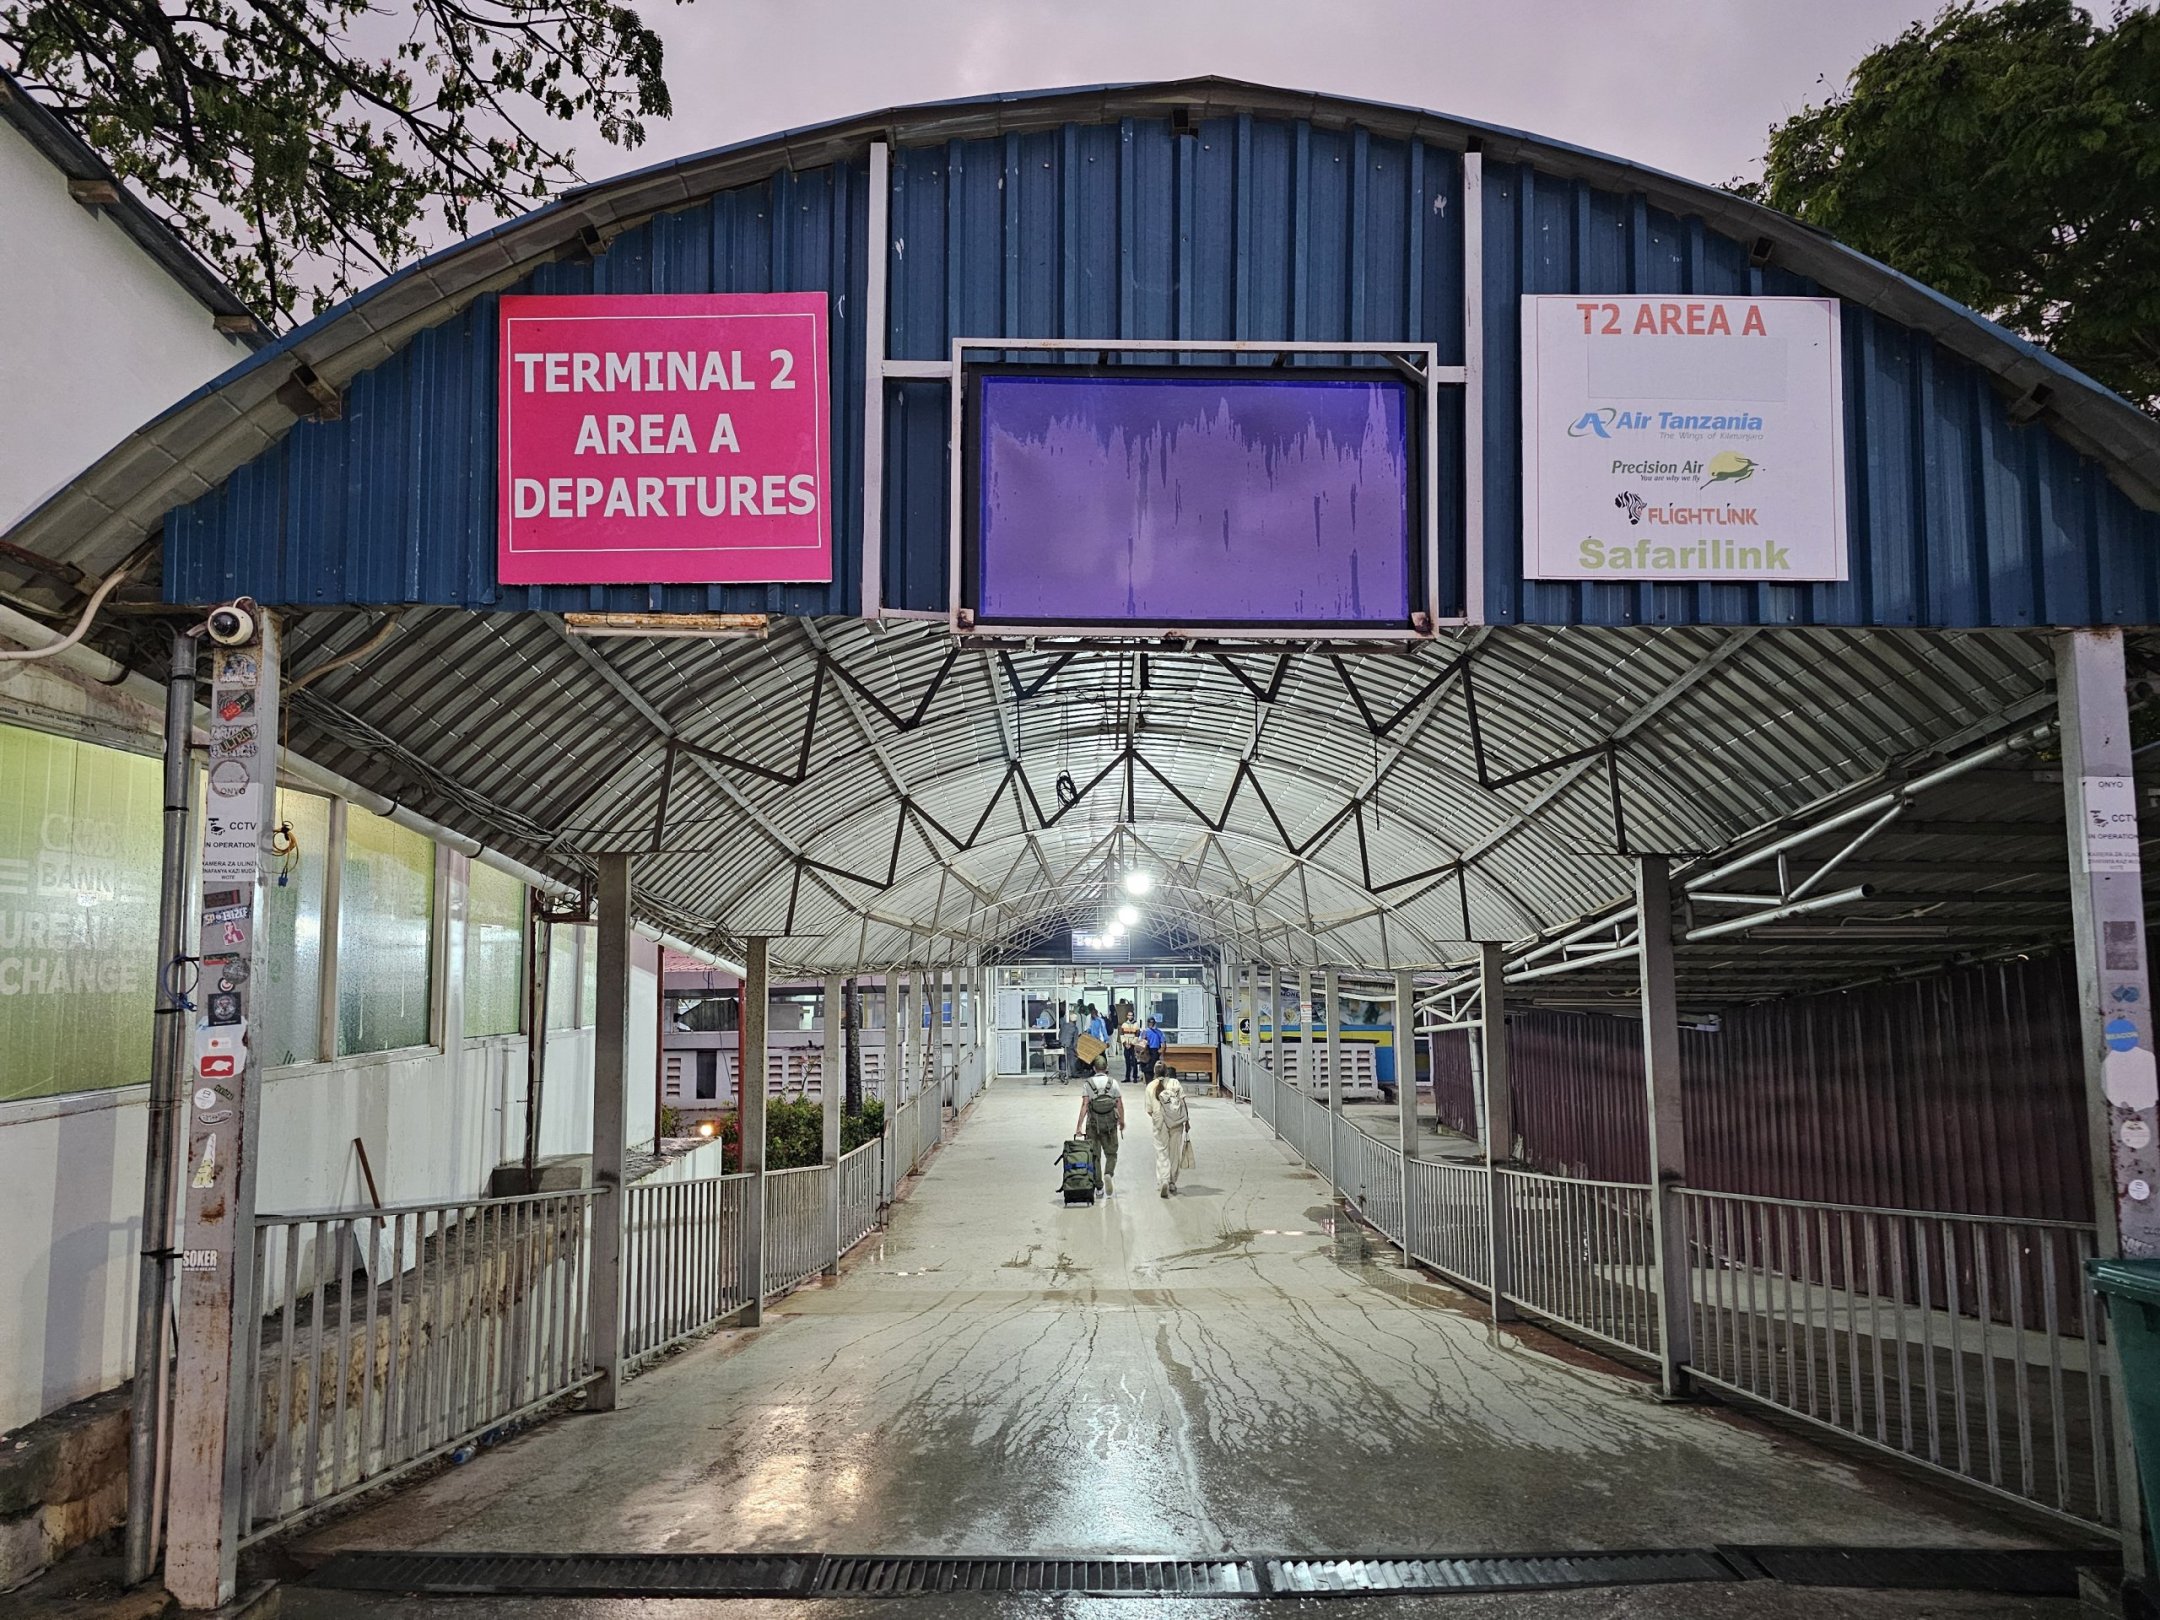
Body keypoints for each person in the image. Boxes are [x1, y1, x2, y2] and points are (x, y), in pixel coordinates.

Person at [1075, 1056, 1125, 1196]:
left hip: (1093, 1124)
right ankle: (1108, 1173)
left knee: (1095, 1156)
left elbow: (1085, 1105)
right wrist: (1121, 1121)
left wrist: (1079, 1126)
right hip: (1110, 1124)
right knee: (1111, 1153)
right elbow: (1119, 1104)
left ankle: (1099, 1187)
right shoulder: (1113, 1083)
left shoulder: (1088, 1084)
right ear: (1107, 1068)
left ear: (1094, 1068)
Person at [1144, 1062, 1193, 1196]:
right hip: (1176, 1122)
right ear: (1167, 1072)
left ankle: (1163, 1179)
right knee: (1174, 1152)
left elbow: (1149, 1110)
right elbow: (1183, 1103)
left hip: (1160, 1122)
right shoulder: (1175, 1083)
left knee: (1161, 1152)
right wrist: (1186, 1121)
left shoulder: (1150, 1086)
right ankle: (1172, 1182)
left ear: (1154, 1072)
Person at [1057, 1005, 1080, 1085]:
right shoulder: (1075, 1028)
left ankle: (1062, 1073)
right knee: (1072, 1059)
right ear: (1075, 1021)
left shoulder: (1064, 1025)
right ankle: (1073, 1074)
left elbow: (1059, 1035)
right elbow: (1075, 1041)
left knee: (1063, 1059)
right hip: (1069, 1045)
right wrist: (1075, 1050)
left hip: (1061, 1044)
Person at [1142, 1016, 1166, 1081]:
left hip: (1155, 1050)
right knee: (1146, 1067)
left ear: (1154, 1023)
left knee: (1153, 1066)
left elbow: (1163, 1043)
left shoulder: (1159, 1032)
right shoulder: (1145, 1031)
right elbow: (1141, 1041)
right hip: (1147, 1050)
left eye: (1152, 1023)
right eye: (1149, 1022)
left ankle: (1153, 1079)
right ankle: (1148, 1080)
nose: (1151, 1024)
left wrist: (1161, 1050)